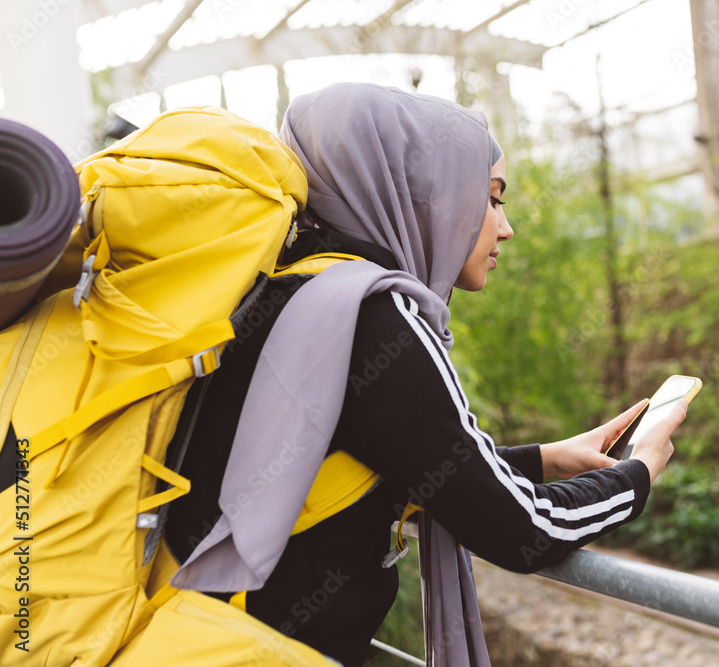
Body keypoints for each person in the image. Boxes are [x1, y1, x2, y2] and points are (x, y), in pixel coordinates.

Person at [164, 82, 686, 667]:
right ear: (421, 195)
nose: (504, 228)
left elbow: (373, 465)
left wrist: (544, 459)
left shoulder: (287, 293)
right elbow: (523, 529)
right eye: (491, 199)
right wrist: (638, 474)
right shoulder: (372, 317)